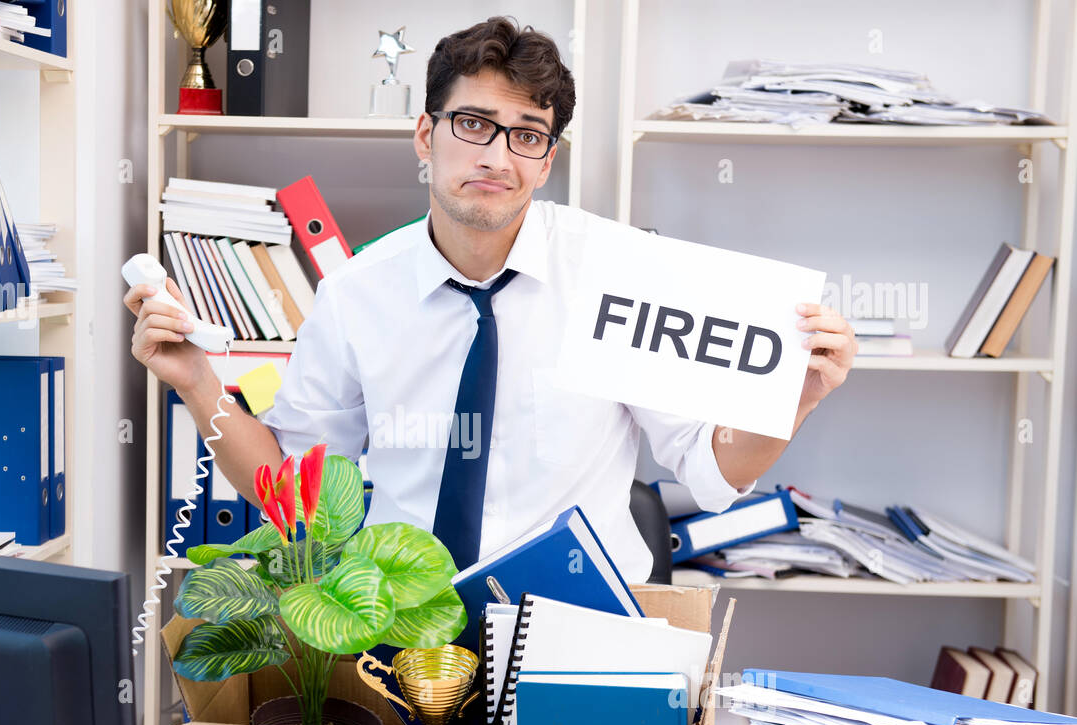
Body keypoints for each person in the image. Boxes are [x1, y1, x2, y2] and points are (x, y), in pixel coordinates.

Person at [126, 16, 856, 581]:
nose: (497, 157)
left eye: (527, 135)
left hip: (576, 629)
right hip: (405, 628)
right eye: (474, 124)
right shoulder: (355, 294)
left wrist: (795, 400)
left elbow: (708, 468)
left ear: (547, 161)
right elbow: (298, 496)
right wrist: (197, 381)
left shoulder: (617, 272)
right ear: (425, 134)